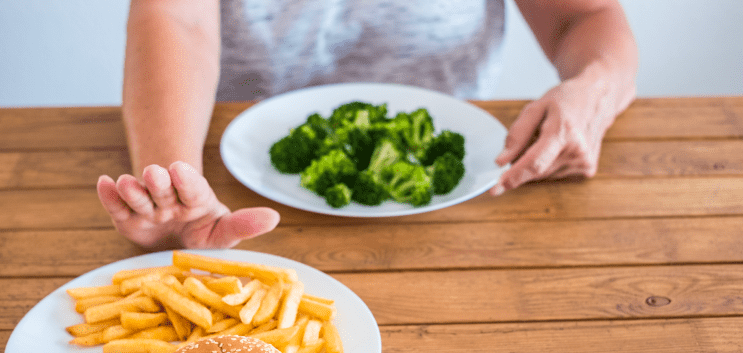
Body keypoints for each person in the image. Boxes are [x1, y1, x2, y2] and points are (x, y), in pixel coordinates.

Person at [97, 0, 638, 250]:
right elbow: (175, 16)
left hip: (473, 210)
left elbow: (584, 16)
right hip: (237, 197)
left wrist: (595, 87)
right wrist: (174, 188)